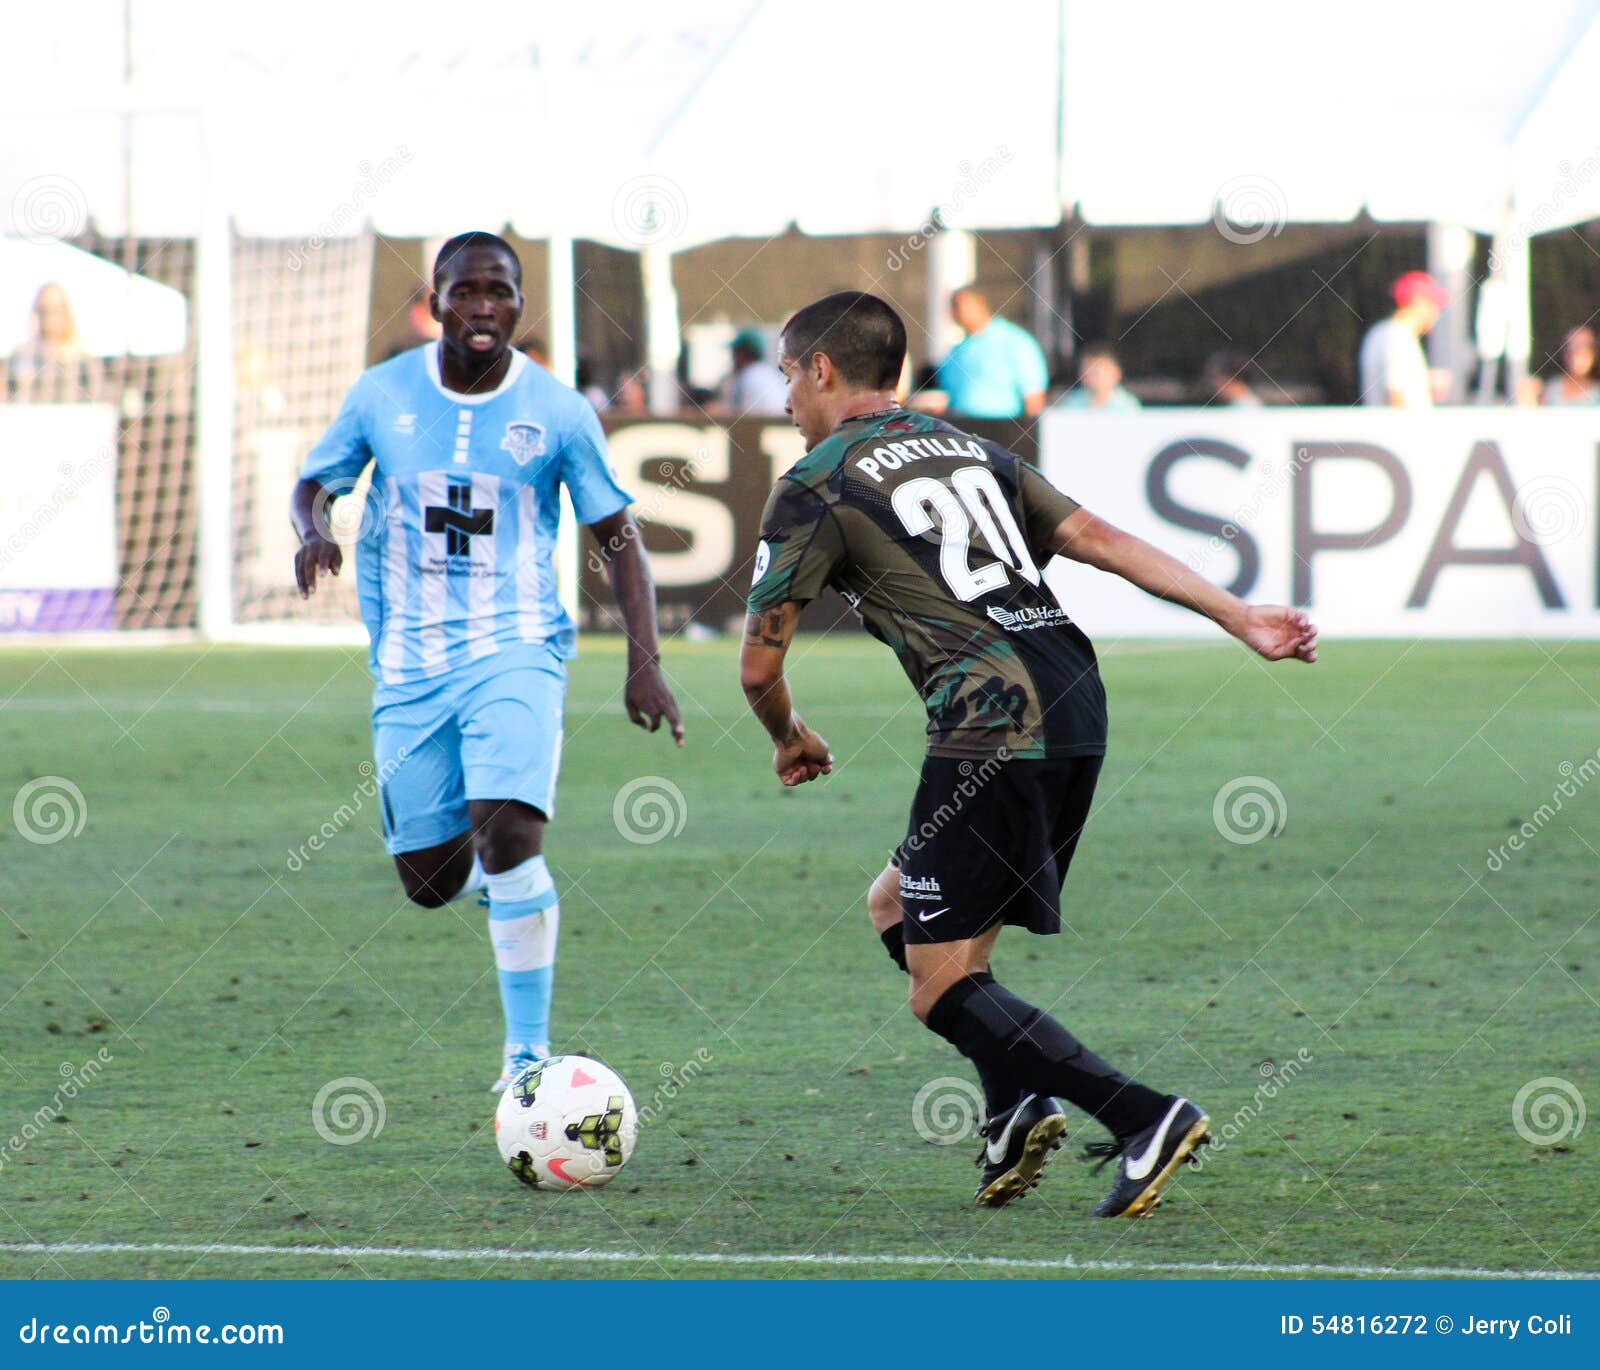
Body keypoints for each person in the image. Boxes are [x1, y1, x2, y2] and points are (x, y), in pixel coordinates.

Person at [739, 291, 1317, 1216]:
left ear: (820, 370)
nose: (780, 399)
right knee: (903, 909)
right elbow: (1097, 538)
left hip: (989, 723)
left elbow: (758, 665)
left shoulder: (816, 481)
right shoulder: (971, 448)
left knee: (936, 991)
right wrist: (1237, 613)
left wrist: (788, 736)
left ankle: (1142, 1116)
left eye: (784, 374)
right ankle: (1015, 1103)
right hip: (1074, 698)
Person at [292, 231, 683, 1092]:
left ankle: (527, 1056)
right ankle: (507, 898)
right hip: (410, 659)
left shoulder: (556, 408)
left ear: (517, 303)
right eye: (463, 291)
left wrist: (643, 660)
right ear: (435, 301)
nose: (481, 307)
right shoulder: (381, 395)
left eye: (498, 291)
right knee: (430, 883)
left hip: (516, 648)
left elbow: (617, 536)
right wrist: (314, 528)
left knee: (509, 834)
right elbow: (314, 482)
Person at [931, 286, 1049, 419]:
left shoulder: (1015, 341)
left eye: (958, 305)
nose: (953, 312)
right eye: (952, 306)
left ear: (980, 304)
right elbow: (949, 398)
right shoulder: (956, 351)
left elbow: (1034, 399)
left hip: (1003, 431)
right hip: (963, 431)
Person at [1358, 271, 1446, 407]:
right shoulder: (1398, 338)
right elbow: (1396, 394)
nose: (1436, 312)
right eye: (1433, 304)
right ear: (1417, 303)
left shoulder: (1381, 332)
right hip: (1399, 428)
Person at [713, 328, 788, 417]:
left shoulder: (751, 376)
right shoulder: (766, 371)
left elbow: (744, 414)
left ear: (743, 354)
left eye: (735, 352)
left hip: (767, 427)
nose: (733, 357)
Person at [1057, 343, 1141, 410]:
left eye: (1097, 373)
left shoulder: (1127, 405)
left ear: (1116, 374)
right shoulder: (1071, 403)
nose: (1091, 378)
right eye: (1086, 373)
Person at [1542, 326, 1599, 406]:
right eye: (1573, 347)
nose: (1579, 354)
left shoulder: (1597, 393)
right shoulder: (1551, 389)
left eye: (1585, 347)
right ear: (1564, 353)